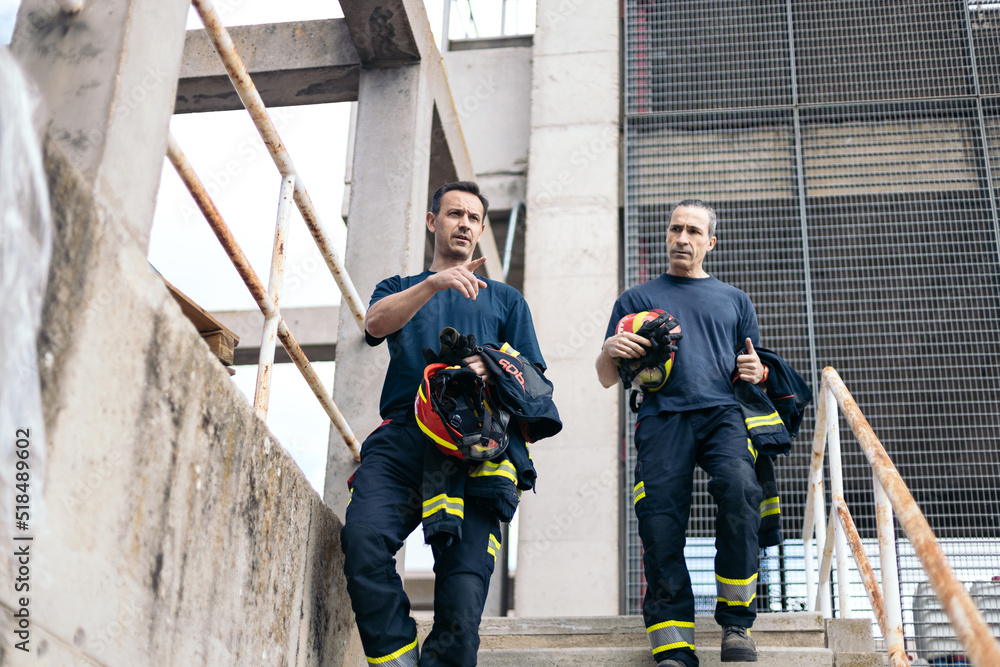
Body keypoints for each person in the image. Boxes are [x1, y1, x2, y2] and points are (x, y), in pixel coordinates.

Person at [341, 181, 546, 667]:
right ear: (433, 221)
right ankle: (396, 657)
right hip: (403, 441)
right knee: (363, 539)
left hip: (478, 451)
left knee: (462, 597)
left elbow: (535, 379)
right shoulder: (400, 288)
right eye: (455, 214)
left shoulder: (506, 300)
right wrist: (435, 283)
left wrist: (491, 367)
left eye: (474, 218)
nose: (466, 225)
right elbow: (374, 325)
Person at [596, 200, 766, 666]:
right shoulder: (634, 299)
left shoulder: (735, 300)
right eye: (675, 228)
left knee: (740, 491)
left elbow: (751, 367)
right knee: (660, 523)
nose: (682, 238)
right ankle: (673, 645)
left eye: (693, 230)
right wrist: (609, 348)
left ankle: (736, 624)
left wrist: (756, 370)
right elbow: (606, 377)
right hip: (661, 418)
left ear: (710, 242)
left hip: (723, 415)